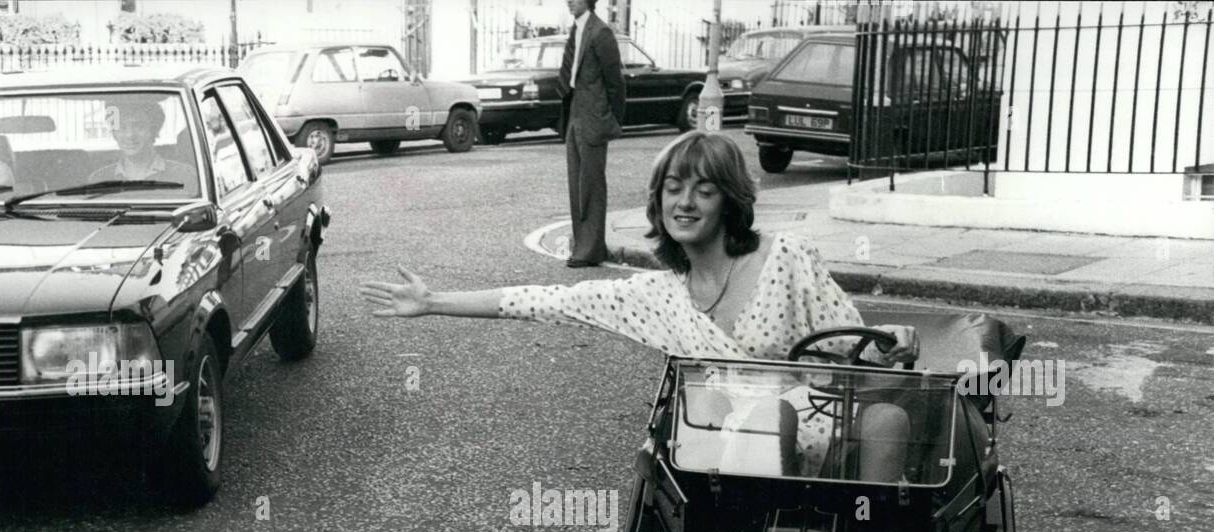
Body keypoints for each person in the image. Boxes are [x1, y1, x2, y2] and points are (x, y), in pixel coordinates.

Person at [361, 130, 921, 481]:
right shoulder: (654, 296)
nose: (685, 202)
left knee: (889, 418)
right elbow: (547, 300)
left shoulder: (787, 256)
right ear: (657, 202)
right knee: (761, 419)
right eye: (673, 188)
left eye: (704, 189)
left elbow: (852, 342)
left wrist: (894, 338)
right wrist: (434, 301)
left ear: (730, 201)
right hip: (727, 462)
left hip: (822, 440)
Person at [558, 0, 626, 268]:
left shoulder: (601, 33)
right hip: (575, 113)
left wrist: (612, 120)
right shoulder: (576, 30)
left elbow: (615, 82)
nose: (570, 1)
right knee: (576, 184)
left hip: (594, 117)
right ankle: (584, 246)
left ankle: (589, 251)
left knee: (591, 185)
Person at [88, 98, 193, 186]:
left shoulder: (184, 175)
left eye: (138, 126)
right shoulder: (99, 179)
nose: (130, 135)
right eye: (122, 127)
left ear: (153, 129)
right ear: (114, 133)